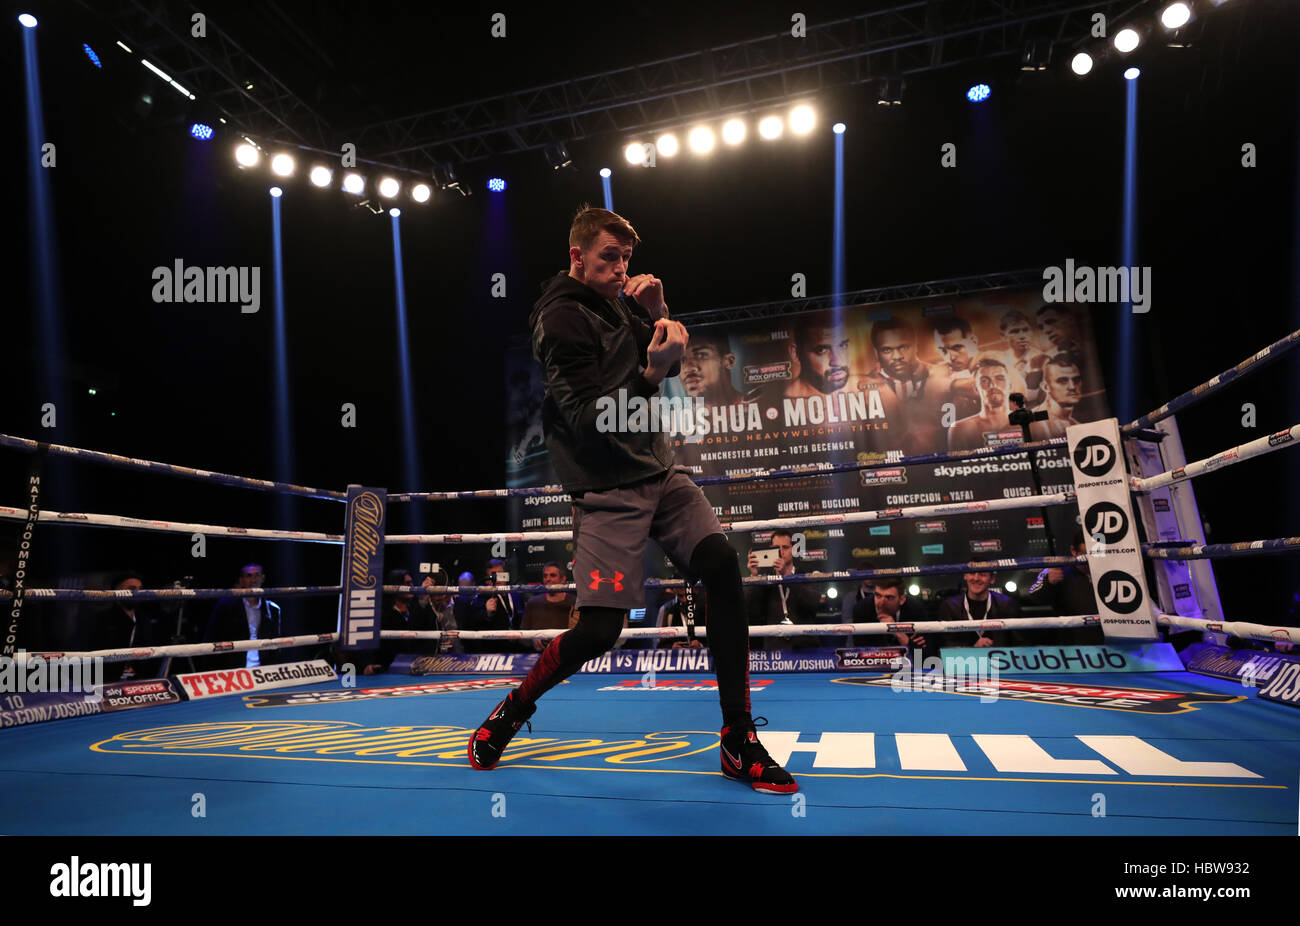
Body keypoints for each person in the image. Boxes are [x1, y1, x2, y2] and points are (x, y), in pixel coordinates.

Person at [469, 204, 797, 793]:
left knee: (722, 566)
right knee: (599, 632)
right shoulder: (561, 320)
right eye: (609, 257)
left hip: (658, 470)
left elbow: (651, 366)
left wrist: (657, 316)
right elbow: (591, 417)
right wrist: (652, 373)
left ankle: (737, 737)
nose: (621, 269)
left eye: (626, 258)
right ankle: (513, 709)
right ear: (577, 256)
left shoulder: (617, 298)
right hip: (605, 489)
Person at [1022, 528, 1103, 644]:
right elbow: (1033, 598)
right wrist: (1048, 583)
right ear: (1073, 551)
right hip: (1075, 645)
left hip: (1112, 643)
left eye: (1097, 554)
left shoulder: (1111, 571)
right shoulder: (1058, 570)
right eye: (1086, 556)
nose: (1092, 560)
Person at [744, 530, 820, 650]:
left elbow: (813, 603)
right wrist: (754, 577)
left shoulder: (806, 574)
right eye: (776, 548)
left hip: (805, 647)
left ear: (793, 550)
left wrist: (787, 576)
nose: (781, 552)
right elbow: (750, 609)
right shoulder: (765, 578)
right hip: (774, 649)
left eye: (785, 547)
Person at [204, 563, 284, 670]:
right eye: (249, 575)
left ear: (262, 578)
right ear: (241, 580)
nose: (253, 579)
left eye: (257, 575)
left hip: (264, 670)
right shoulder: (225, 606)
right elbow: (212, 636)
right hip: (233, 668)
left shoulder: (273, 609)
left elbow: (276, 644)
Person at [92, 572, 163, 682]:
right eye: (132, 589)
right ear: (117, 591)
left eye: (140, 589)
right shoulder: (101, 619)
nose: (137, 593)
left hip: (138, 680)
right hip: (106, 681)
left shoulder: (144, 620)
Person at [947, 354, 1016, 451]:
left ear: (1010, 385)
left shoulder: (1032, 425)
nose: (993, 385)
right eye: (984, 380)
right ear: (976, 389)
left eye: (1000, 378)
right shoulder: (961, 429)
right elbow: (959, 465)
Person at [936, 571, 1019, 648]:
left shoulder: (1007, 604)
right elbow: (945, 643)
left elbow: (1020, 642)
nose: (976, 578)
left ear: (992, 579)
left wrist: (996, 651)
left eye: (982, 574)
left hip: (1002, 660)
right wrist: (972, 649)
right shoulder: (950, 605)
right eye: (972, 573)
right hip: (962, 662)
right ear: (965, 576)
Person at [783, 312, 856, 397]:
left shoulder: (862, 388)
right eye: (822, 350)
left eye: (843, 345)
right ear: (795, 353)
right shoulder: (787, 401)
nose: (837, 362)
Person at [927, 316, 981, 420]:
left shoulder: (998, 363)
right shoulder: (938, 372)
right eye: (943, 350)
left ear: (973, 341)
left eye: (956, 348)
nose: (950, 357)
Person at [678, 332, 749, 405]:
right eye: (682, 360)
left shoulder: (758, 407)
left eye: (700, 355)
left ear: (729, 361)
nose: (688, 368)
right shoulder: (676, 414)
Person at [521, 562, 575, 652]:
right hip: (538, 656)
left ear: (563, 579)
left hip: (566, 655)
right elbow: (522, 635)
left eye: (552, 575)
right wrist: (532, 638)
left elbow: (582, 634)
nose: (548, 579)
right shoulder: (533, 603)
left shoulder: (574, 602)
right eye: (545, 576)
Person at [1029, 352, 1084, 440]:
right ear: (1046, 387)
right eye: (1062, 381)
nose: (1072, 387)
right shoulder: (1034, 420)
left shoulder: (1076, 424)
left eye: (1076, 380)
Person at [998, 310, 1047, 406]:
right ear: (1003, 336)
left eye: (1025, 330)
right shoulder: (999, 360)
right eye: (1015, 331)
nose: (1022, 336)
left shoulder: (1041, 359)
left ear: (1031, 331)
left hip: (1038, 410)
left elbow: (1041, 397)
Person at [420, 570, 462, 654]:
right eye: (435, 594)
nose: (439, 598)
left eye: (441, 593)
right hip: (433, 660)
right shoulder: (426, 607)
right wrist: (422, 598)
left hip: (462, 659)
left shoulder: (461, 605)